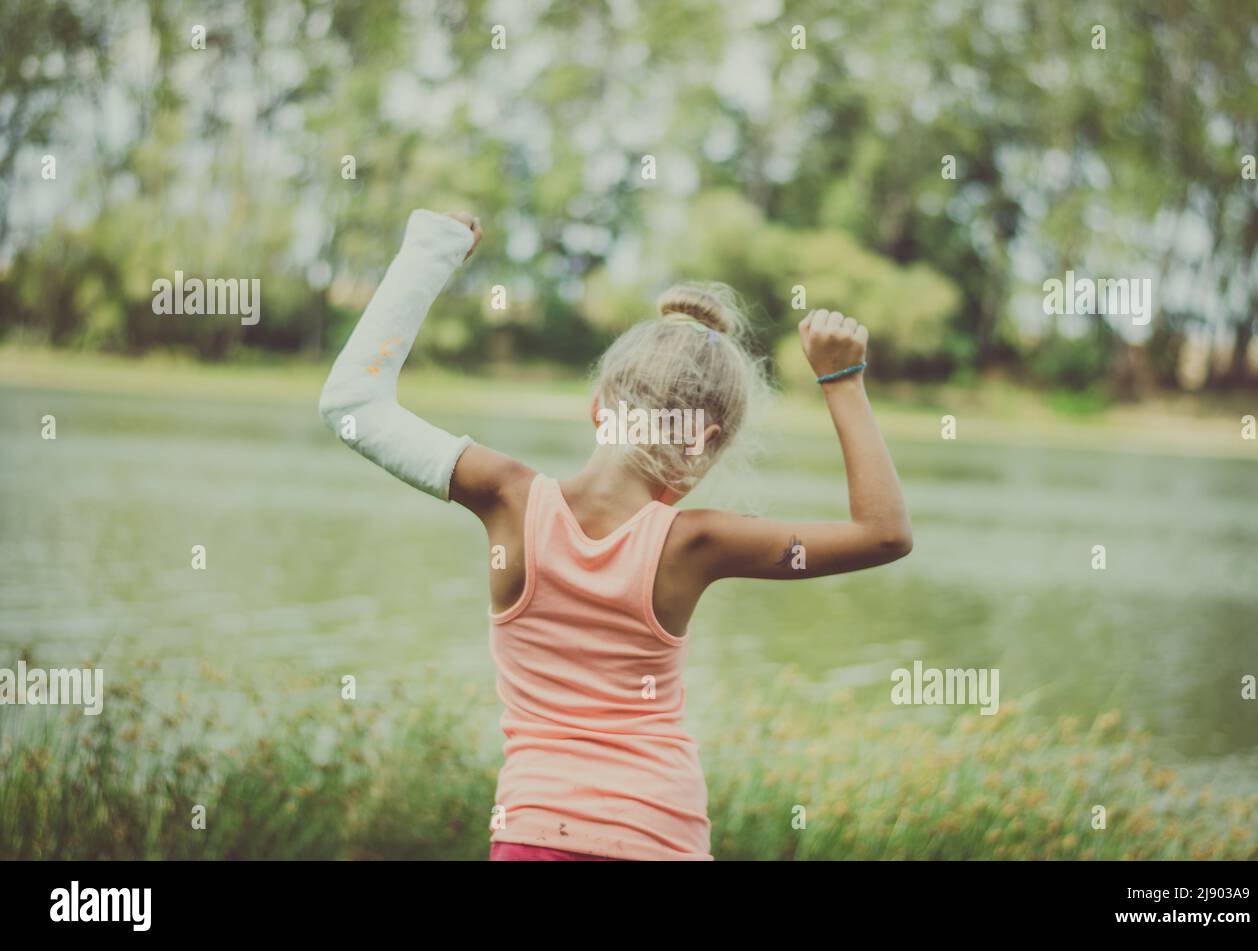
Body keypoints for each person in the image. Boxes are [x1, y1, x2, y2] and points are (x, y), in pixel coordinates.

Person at [319, 209, 912, 861]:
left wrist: (433, 249)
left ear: (598, 407)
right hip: (657, 836)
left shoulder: (508, 499)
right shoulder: (695, 543)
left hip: (533, 834)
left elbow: (353, 405)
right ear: (704, 442)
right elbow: (884, 534)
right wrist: (843, 380)